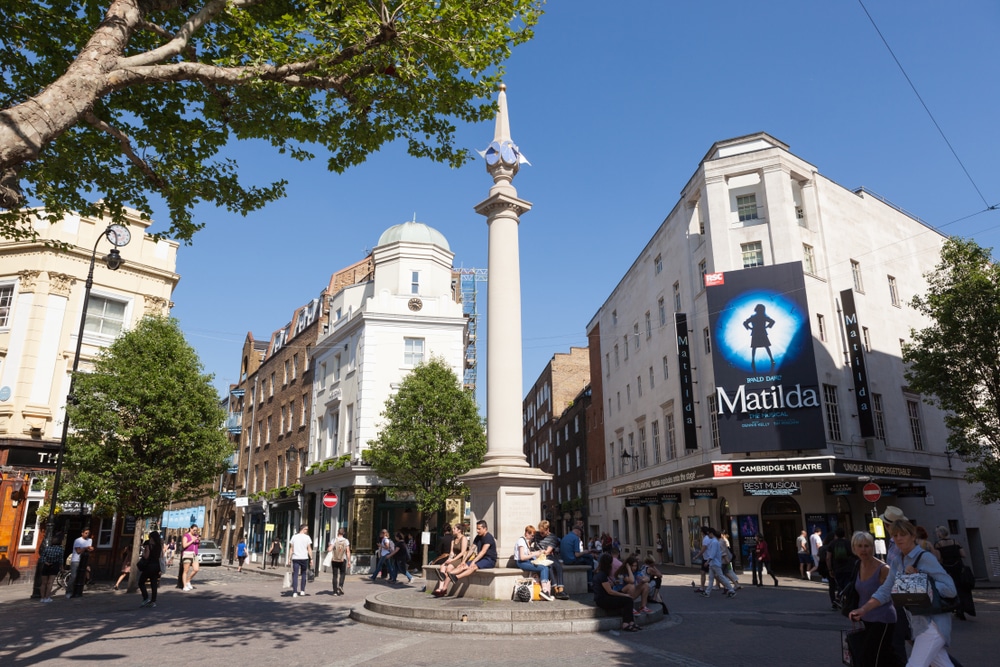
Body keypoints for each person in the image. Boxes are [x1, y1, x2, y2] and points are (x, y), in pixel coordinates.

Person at [850, 519, 957, 667]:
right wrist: (863, 609)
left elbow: (950, 589)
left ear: (913, 536)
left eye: (903, 534)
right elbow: (885, 590)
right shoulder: (898, 562)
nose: (898, 538)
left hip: (933, 624)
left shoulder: (925, 558)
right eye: (895, 535)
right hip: (917, 624)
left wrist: (919, 579)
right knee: (943, 664)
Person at [845, 531, 896, 667]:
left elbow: (888, 594)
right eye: (860, 546)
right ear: (854, 548)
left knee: (869, 659)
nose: (863, 550)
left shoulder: (883, 569)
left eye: (867, 546)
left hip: (883, 619)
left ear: (872, 547)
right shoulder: (858, 565)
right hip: (866, 619)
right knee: (887, 658)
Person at [934, 526, 975, 621]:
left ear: (940, 533)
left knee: (951, 588)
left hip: (947, 568)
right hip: (958, 567)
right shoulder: (955, 542)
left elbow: (939, 558)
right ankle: (965, 608)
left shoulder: (938, 544)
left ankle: (955, 608)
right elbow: (963, 554)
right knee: (962, 588)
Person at [593, 553, 641, 632]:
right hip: (602, 600)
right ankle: (626, 623)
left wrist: (614, 583)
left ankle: (631, 622)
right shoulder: (602, 575)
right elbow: (610, 591)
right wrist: (624, 595)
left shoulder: (600, 573)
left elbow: (606, 586)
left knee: (627, 599)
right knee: (628, 600)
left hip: (604, 597)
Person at [446, 520, 497, 588]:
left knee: (473, 567)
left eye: (479, 529)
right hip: (480, 559)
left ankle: (456, 577)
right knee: (463, 566)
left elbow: (483, 551)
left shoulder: (488, 537)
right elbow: (471, 549)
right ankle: (449, 574)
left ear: (485, 529)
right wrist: (464, 561)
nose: (477, 531)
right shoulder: (478, 537)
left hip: (489, 560)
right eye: (477, 528)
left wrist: (473, 561)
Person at [513, 525, 554, 601]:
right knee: (543, 568)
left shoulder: (525, 541)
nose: (532, 537)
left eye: (533, 535)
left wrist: (538, 552)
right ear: (526, 533)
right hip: (521, 562)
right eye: (531, 535)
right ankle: (544, 590)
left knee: (544, 566)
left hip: (526, 561)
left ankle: (546, 590)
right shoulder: (521, 541)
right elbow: (522, 557)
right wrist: (535, 554)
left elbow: (529, 553)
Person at [433, 524, 469, 597]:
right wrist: (449, 559)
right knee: (443, 566)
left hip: (460, 558)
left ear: (459, 530)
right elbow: (452, 552)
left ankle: (444, 588)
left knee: (449, 567)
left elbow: (463, 552)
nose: (453, 530)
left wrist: (452, 560)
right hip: (454, 558)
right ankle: (440, 588)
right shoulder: (453, 539)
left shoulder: (463, 538)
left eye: (454, 529)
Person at [535, 520, 569, 599]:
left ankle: (561, 588)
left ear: (548, 530)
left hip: (548, 555)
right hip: (538, 556)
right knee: (549, 568)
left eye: (543, 533)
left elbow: (548, 551)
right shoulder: (536, 535)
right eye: (540, 532)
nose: (541, 534)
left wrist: (543, 552)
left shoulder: (553, 537)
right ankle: (556, 589)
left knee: (558, 567)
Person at [828, 527, 858, 610]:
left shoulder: (832, 544)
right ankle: (846, 601)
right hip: (849, 567)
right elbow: (855, 554)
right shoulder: (849, 543)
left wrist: (830, 569)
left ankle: (839, 598)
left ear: (836, 535)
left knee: (840, 584)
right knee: (848, 584)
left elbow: (828, 557)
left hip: (837, 568)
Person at [701, 528, 736, 599]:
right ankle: (707, 592)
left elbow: (713, 554)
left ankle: (731, 589)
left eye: (709, 534)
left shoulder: (714, 542)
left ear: (712, 533)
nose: (708, 535)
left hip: (714, 563)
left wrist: (708, 561)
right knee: (711, 578)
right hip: (713, 563)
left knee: (720, 577)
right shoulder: (714, 541)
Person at [138, 531, 163, 608]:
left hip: (149, 566)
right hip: (156, 566)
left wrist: (143, 552)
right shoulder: (159, 546)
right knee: (154, 584)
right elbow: (161, 556)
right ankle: (153, 601)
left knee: (141, 582)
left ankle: (145, 598)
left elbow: (146, 556)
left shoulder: (149, 545)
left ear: (151, 538)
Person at [67, 527, 94, 598]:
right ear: (82, 533)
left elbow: (89, 550)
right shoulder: (78, 540)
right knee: (74, 576)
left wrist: (91, 549)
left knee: (82, 576)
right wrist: (86, 548)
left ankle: (78, 591)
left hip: (84, 560)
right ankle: (69, 591)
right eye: (86, 533)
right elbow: (78, 551)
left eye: (88, 533)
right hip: (76, 560)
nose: (87, 535)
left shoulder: (90, 540)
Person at [287, 524, 313, 597]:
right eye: (306, 529)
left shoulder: (294, 537)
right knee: (303, 574)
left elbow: (291, 548)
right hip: (304, 557)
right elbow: (309, 549)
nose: (307, 531)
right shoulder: (307, 537)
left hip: (295, 557)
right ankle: (302, 590)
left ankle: (295, 591)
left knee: (295, 574)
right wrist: (311, 558)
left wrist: (289, 558)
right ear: (303, 529)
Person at [38, 534, 64, 603]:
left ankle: (42, 598)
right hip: (54, 565)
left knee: (43, 583)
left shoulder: (47, 548)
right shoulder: (60, 549)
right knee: (50, 583)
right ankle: (47, 597)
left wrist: (46, 562)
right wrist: (61, 568)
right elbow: (60, 560)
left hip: (46, 565)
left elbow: (42, 558)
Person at [327, 527, 351, 596]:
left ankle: (334, 591)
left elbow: (329, 549)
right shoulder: (346, 541)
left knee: (335, 575)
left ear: (338, 532)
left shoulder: (334, 540)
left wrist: (329, 546)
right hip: (343, 559)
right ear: (344, 533)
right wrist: (349, 561)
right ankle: (340, 586)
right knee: (342, 573)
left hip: (335, 559)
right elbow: (348, 551)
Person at [180, 525, 201, 591]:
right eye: (194, 530)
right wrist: (192, 540)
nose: (195, 531)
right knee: (186, 570)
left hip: (194, 554)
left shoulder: (196, 536)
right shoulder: (186, 536)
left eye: (196, 530)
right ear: (190, 529)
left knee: (196, 569)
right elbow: (184, 545)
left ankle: (188, 580)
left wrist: (199, 541)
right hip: (187, 554)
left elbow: (198, 546)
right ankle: (184, 586)